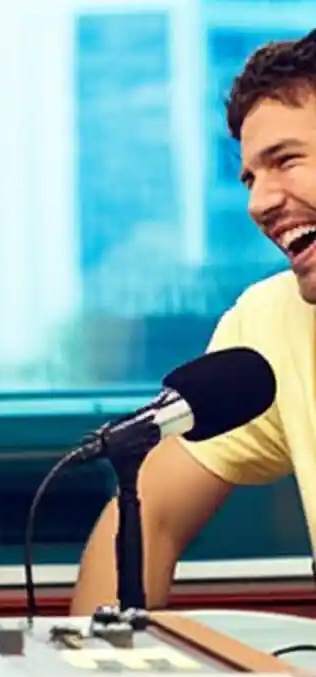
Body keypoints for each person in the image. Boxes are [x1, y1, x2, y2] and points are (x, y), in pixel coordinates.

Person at [71, 30, 316, 616]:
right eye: (250, 178)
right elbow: (148, 512)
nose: (259, 203)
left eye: (285, 161)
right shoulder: (271, 321)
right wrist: (92, 667)